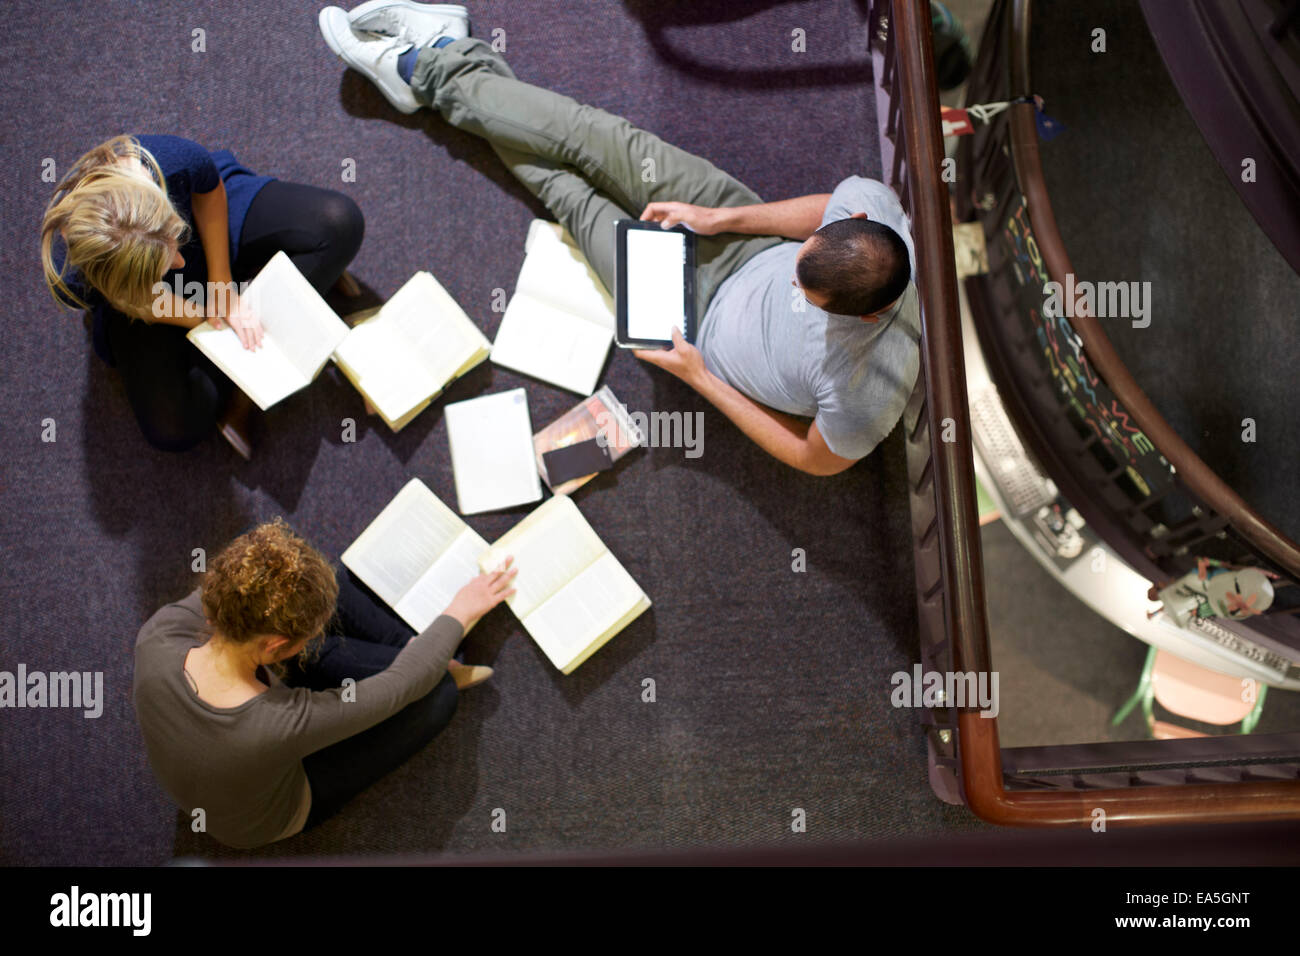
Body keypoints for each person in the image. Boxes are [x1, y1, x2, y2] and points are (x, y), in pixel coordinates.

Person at [318, 1, 921, 476]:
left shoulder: (866, 392)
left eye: (806, 291)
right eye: (808, 259)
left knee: (567, 193)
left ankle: (440, 59)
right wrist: (722, 220)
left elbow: (813, 460)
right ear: (860, 226)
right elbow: (822, 210)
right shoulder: (876, 213)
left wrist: (698, 376)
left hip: (693, 324)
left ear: (861, 320)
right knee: (589, 134)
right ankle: (436, 62)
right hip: (740, 233)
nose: (796, 276)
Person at [131, 517, 516, 848]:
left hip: (232, 742)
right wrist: (460, 608)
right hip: (273, 811)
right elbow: (403, 685)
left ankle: (412, 646)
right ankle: (420, 651)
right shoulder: (278, 723)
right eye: (306, 635)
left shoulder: (158, 633)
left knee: (284, 566)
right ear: (277, 645)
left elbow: (246, 581)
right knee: (438, 693)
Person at [40, 134, 366, 457]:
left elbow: (209, 193)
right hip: (145, 300)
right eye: (166, 264)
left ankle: (265, 297)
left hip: (204, 224)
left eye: (174, 235)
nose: (179, 262)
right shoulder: (71, 278)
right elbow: (135, 301)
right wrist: (205, 319)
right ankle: (281, 293)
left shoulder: (166, 160)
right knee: (173, 430)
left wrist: (222, 284)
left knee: (340, 223)